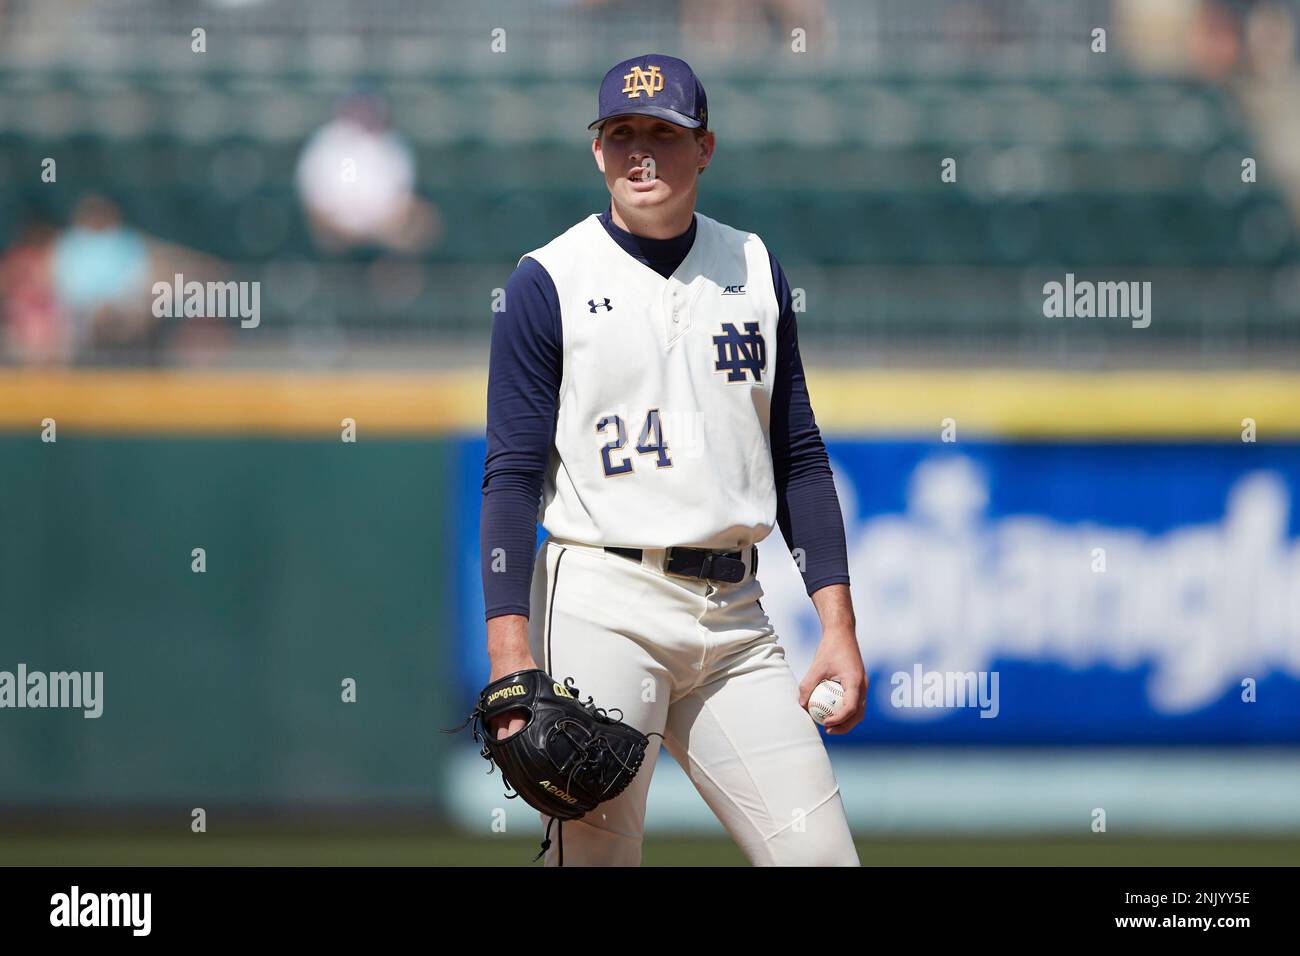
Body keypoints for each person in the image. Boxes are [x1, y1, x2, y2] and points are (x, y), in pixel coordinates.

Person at [480, 53, 865, 866]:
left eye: (663, 132)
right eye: (622, 134)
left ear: (706, 147)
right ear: (597, 151)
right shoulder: (546, 280)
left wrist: (837, 622)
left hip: (736, 617)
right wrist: (510, 658)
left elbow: (798, 456)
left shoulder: (754, 269)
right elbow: (511, 478)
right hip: (602, 601)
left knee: (820, 858)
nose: (641, 152)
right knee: (595, 862)